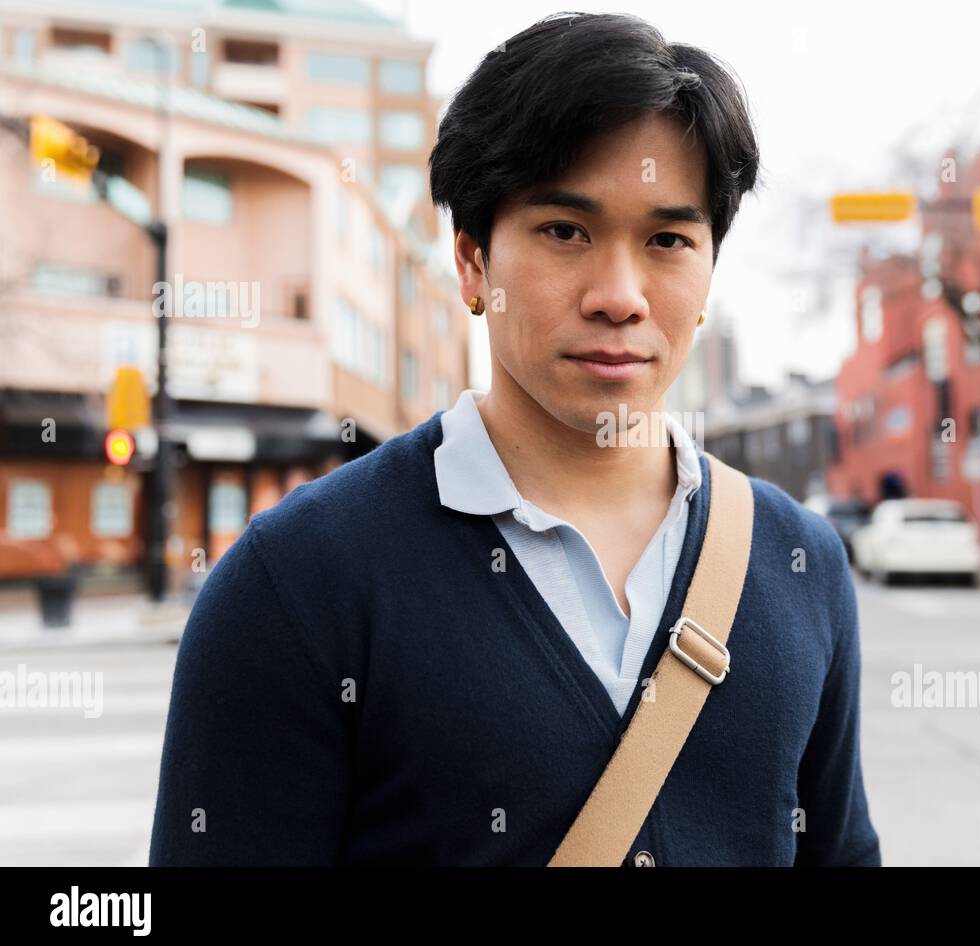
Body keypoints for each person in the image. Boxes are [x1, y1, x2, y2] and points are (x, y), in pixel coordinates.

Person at [149, 11, 881, 867]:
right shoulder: (302, 578)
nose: (620, 295)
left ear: (710, 270)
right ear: (471, 262)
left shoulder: (800, 563)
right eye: (565, 231)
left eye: (668, 240)